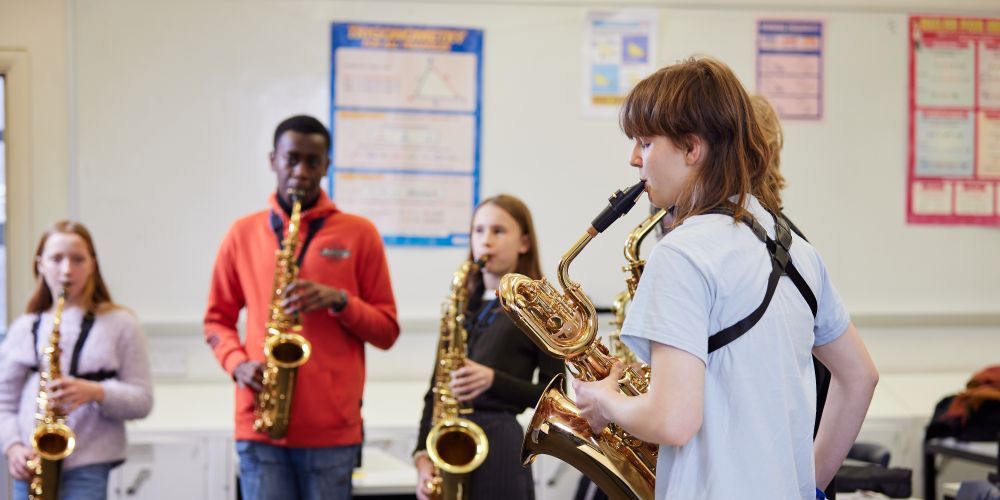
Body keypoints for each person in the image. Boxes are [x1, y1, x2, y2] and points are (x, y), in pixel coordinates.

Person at [572, 57, 879, 499]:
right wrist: (807, 485)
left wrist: (604, 400)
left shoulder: (681, 253)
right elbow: (860, 377)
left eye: (645, 142)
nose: (634, 158)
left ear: (692, 149)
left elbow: (672, 420)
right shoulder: (797, 249)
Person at [204, 115, 400, 500]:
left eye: (313, 162)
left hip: (332, 432)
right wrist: (236, 363)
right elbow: (216, 320)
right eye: (291, 159)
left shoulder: (360, 234)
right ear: (272, 160)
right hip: (260, 424)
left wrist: (341, 301)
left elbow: (387, 332)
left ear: (327, 165)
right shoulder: (242, 233)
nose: (301, 172)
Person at [413, 194, 564, 500]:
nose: (486, 240)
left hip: (500, 443)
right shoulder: (460, 304)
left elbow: (555, 398)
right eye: (478, 230)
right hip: (449, 437)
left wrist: (493, 381)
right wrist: (422, 454)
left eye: (498, 230)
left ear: (524, 242)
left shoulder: (539, 309)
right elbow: (435, 388)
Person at [0, 220, 153, 500]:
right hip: (31, 464)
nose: (67, 270)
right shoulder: (24, 327)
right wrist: (12, 447)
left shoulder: (121, 324)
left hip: (90, 465)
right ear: (40, 264)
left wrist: (97, 392)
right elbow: (3, 402)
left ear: (93, 264)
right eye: (56, 259)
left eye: (78, 259)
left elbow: (142, 401)